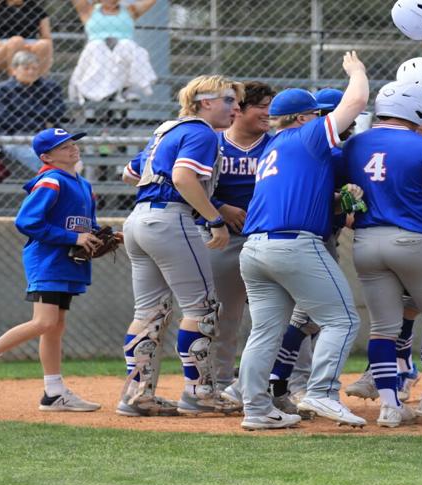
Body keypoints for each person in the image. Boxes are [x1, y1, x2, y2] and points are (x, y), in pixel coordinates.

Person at [236, 56, 372, 431]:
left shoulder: (272, 146)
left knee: (264, 332)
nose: (319, 118)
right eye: (314, 113)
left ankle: (256, 409)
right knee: (343, 319)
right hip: (293, 245)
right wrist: (356, 72)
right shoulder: (306, 135)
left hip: (255, 248)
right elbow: (356, 102)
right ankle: (322, 392)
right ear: (300, 117)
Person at [0, 127, 112, 411]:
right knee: (44, 322)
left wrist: (104, 234)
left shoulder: (83, 184)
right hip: (48, 259)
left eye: (72, 143)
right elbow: (27, 222)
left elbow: (83, 224)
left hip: (68, 261)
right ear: (46, 157)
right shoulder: (51, 181)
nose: (72, 148)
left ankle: (54, 393)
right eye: (63, 146)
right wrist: (74, 237)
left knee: (56, 326)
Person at [117, 73, 241, 417]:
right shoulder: (201, 132)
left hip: (138, 219)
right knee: (203, 309)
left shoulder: (167, 130)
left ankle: (136, 396)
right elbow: (183, 177)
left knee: (149, 312)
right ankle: (199, 393)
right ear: (205, 103)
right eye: (228, 100)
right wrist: (214, 218)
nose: (235, 107)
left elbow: (130, 173)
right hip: (171, 220)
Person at [344, 81, 422, 427]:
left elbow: (345, 193)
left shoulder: (354, 143)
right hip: (412, 239)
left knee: (382, 328)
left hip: (365, 239)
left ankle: (390, 405)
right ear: (419, 110)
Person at [204, 81, 274, 407]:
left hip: (266, 237)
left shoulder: (275, 145)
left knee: (273, 315)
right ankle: (220, 383)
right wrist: (220, 207)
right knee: (225, 314)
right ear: (239, 110)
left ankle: (277, 382)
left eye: (270, 106)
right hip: (225, 239)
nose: (268, 113)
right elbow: (193, 183)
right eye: (261, 106)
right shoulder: (214, 143)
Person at [0, 51, 66, 173]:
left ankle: (57, 175)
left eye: (34, 68)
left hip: (42, 135)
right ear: (14, 70)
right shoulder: (2, 90)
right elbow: (2, 117)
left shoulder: (50, 88)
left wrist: (21, 112)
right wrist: (40, 117)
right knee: (16, 146)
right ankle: (54, 172)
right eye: (26, 68)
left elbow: (58, 111)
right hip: (11, 135)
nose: (31, 72)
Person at [67, 0, 157, 103]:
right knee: (97, 46)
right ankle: (92, 90)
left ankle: (125, 89)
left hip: (122, 55)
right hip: (97, 53)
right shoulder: (89, 10)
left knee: (126, 45)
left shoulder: (130, 11)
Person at [0, 0, 54, 77]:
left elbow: (47, 38)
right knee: (16, 41)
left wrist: (28, 47)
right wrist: (9, 45)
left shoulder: (37, 9)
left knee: (44, 44)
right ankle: (14, 81)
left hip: (30, 48)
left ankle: (40, 82)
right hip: (2, 49)